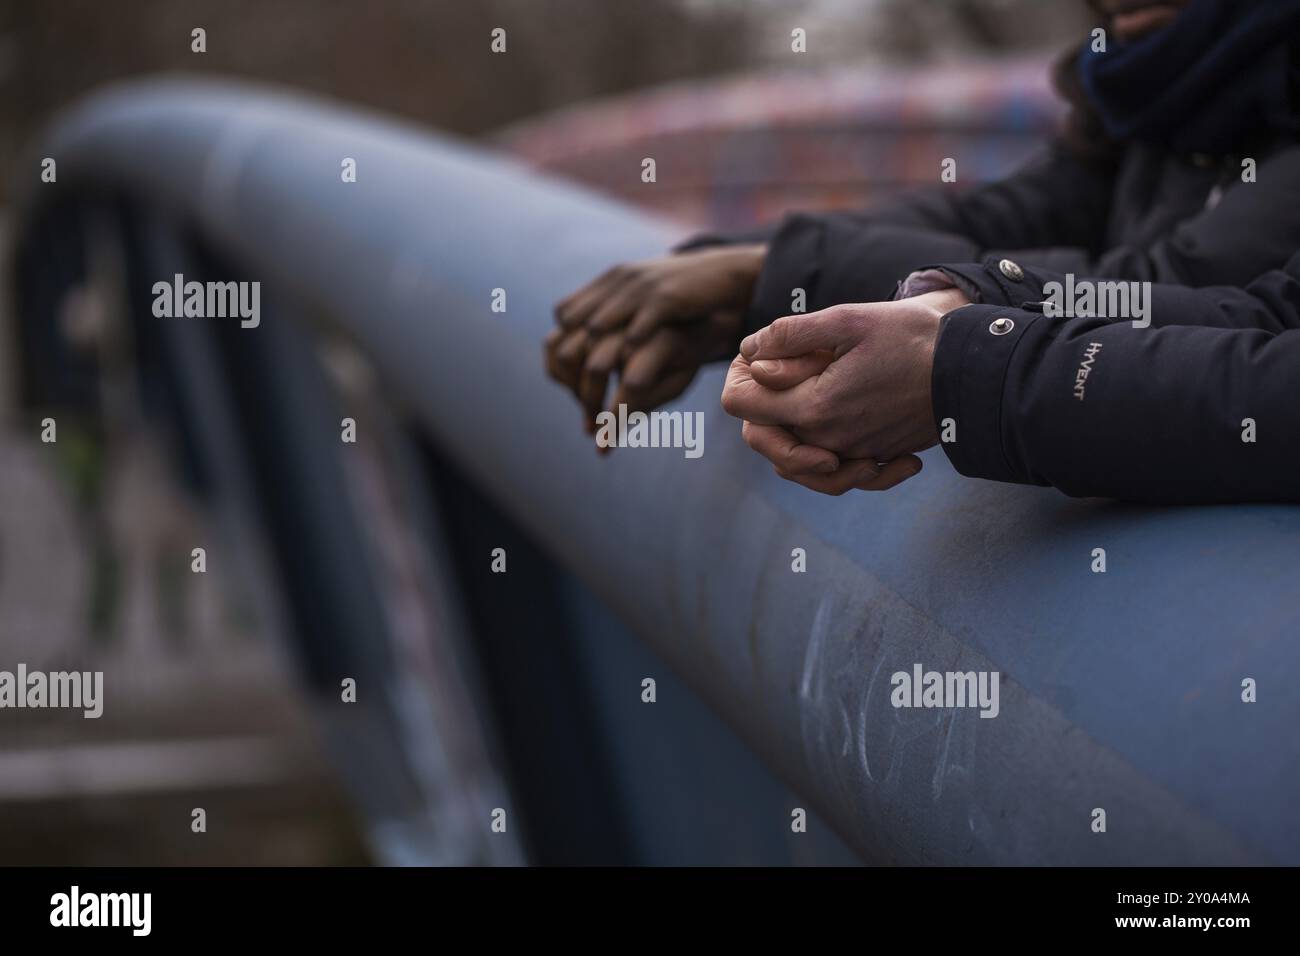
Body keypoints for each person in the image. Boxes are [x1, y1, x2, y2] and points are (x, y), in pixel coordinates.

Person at [546, 0, 1300, 489]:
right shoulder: (1151, 76)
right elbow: (1016, 215)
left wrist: (956, 357)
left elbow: (1192, 287)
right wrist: (756, 275)